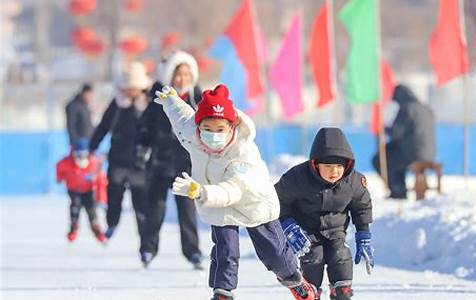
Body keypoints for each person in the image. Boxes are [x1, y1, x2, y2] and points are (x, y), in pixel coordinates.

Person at [154, 84, 318, 300]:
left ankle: (295, 281)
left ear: (231, 127)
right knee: (225, 249)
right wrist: (171, 100)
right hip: (218, 202)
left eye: (220, 130)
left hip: (252, 202)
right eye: (208, 129)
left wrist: (201, 192)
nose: (213, 136)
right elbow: (182, 118)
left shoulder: (242, 153)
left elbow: (233, 190)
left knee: (274, 253)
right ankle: (223, 292)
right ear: (199, 127)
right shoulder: (193, 135)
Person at [274, 127, 374, 300]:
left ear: (347, 165)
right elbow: (276, 201)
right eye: (328, 166)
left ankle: (341, 291)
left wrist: (363, 233)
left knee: (340, 255)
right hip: (306, 232)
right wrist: (287, 224)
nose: (334, 172)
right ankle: (310, 291)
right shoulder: (297, 177)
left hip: (336, 231)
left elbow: (362, 205)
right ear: (316, 164)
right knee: (314, 257)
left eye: (339, 166)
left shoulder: (353, 181)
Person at [136, 51, 203, 268]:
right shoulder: (160, 97)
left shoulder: (197, 99)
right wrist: (143, 146)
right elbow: (146, 125)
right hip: (160, 161)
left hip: (186, 162)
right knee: (155, 207)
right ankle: (148, 249)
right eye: (178, 74)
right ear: (171, 76)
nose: (182, 79)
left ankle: (193, 252)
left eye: (186, 74)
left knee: (187, 209)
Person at [90, 62, 151, 243]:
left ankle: (145, 238)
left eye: (134, 88)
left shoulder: (148, 105)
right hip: (118, 159)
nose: (130, 91)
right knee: (114, 195)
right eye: (127, 87)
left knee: (141, 202)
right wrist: (92, 146)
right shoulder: (117, 105)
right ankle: (112, 224)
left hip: (140, 162)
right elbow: (103, 127)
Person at [372, 84, 436, 199]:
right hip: (430, 154)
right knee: (393, 155)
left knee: (380, 159)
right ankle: (400, 189)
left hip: (412, 154)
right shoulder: (426, 109)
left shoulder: (407, 109)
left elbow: (395, 132)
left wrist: (382, 128)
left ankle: (398, 190)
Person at [56, 138, 107, 243]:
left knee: (91, 208)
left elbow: (101, 182)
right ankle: (73, 226)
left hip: (88, 190)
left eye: (83, 155)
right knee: (75, 205)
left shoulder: (94, 163)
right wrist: (60, 178)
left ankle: (96, 228)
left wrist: (101, 198)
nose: (80, 158)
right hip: (73, 190)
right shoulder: (66, 163)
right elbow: (59, 168)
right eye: (77, 155)